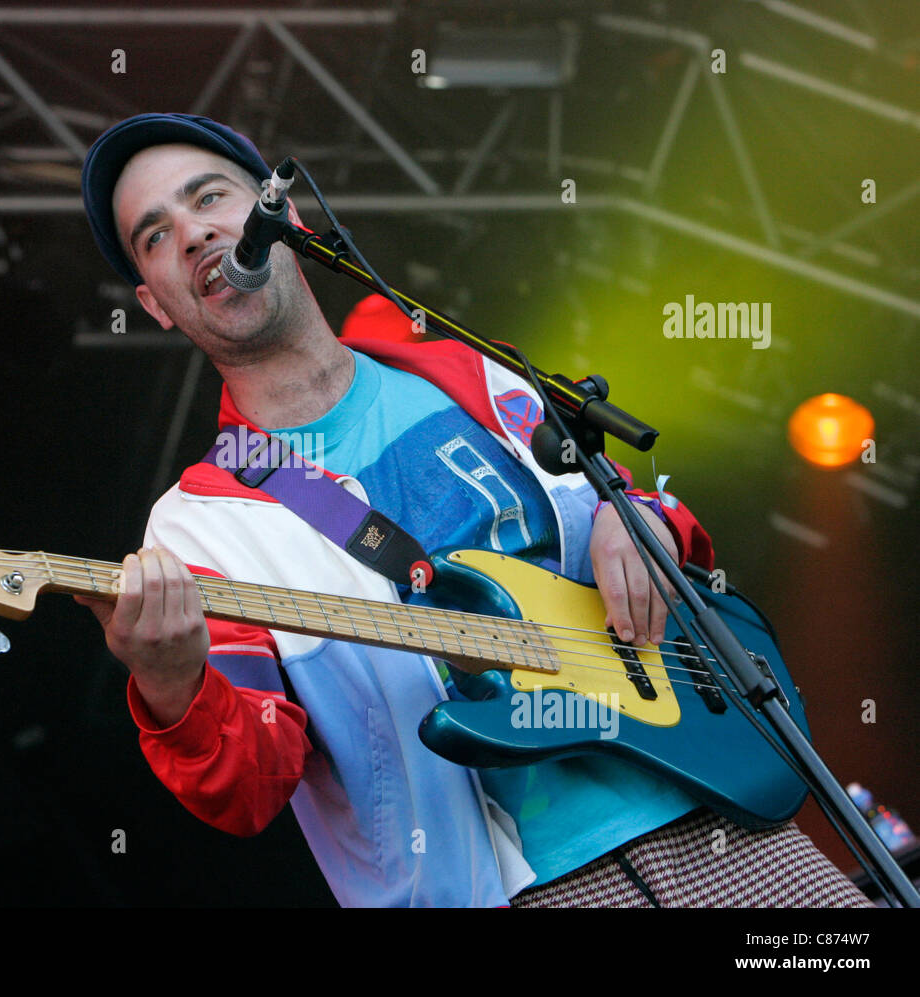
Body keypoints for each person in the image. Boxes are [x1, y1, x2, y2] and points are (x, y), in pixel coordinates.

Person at [74, 112, 873, 908]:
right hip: (516, 891)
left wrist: (638, 518)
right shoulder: (202, 523)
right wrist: (173, 685)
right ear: (156, 304)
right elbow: (250, 784)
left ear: (286, 217)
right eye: (155, 235)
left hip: (719, 818)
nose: (192, 233)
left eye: (209, 196)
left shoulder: (468, 370)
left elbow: (656, 525)